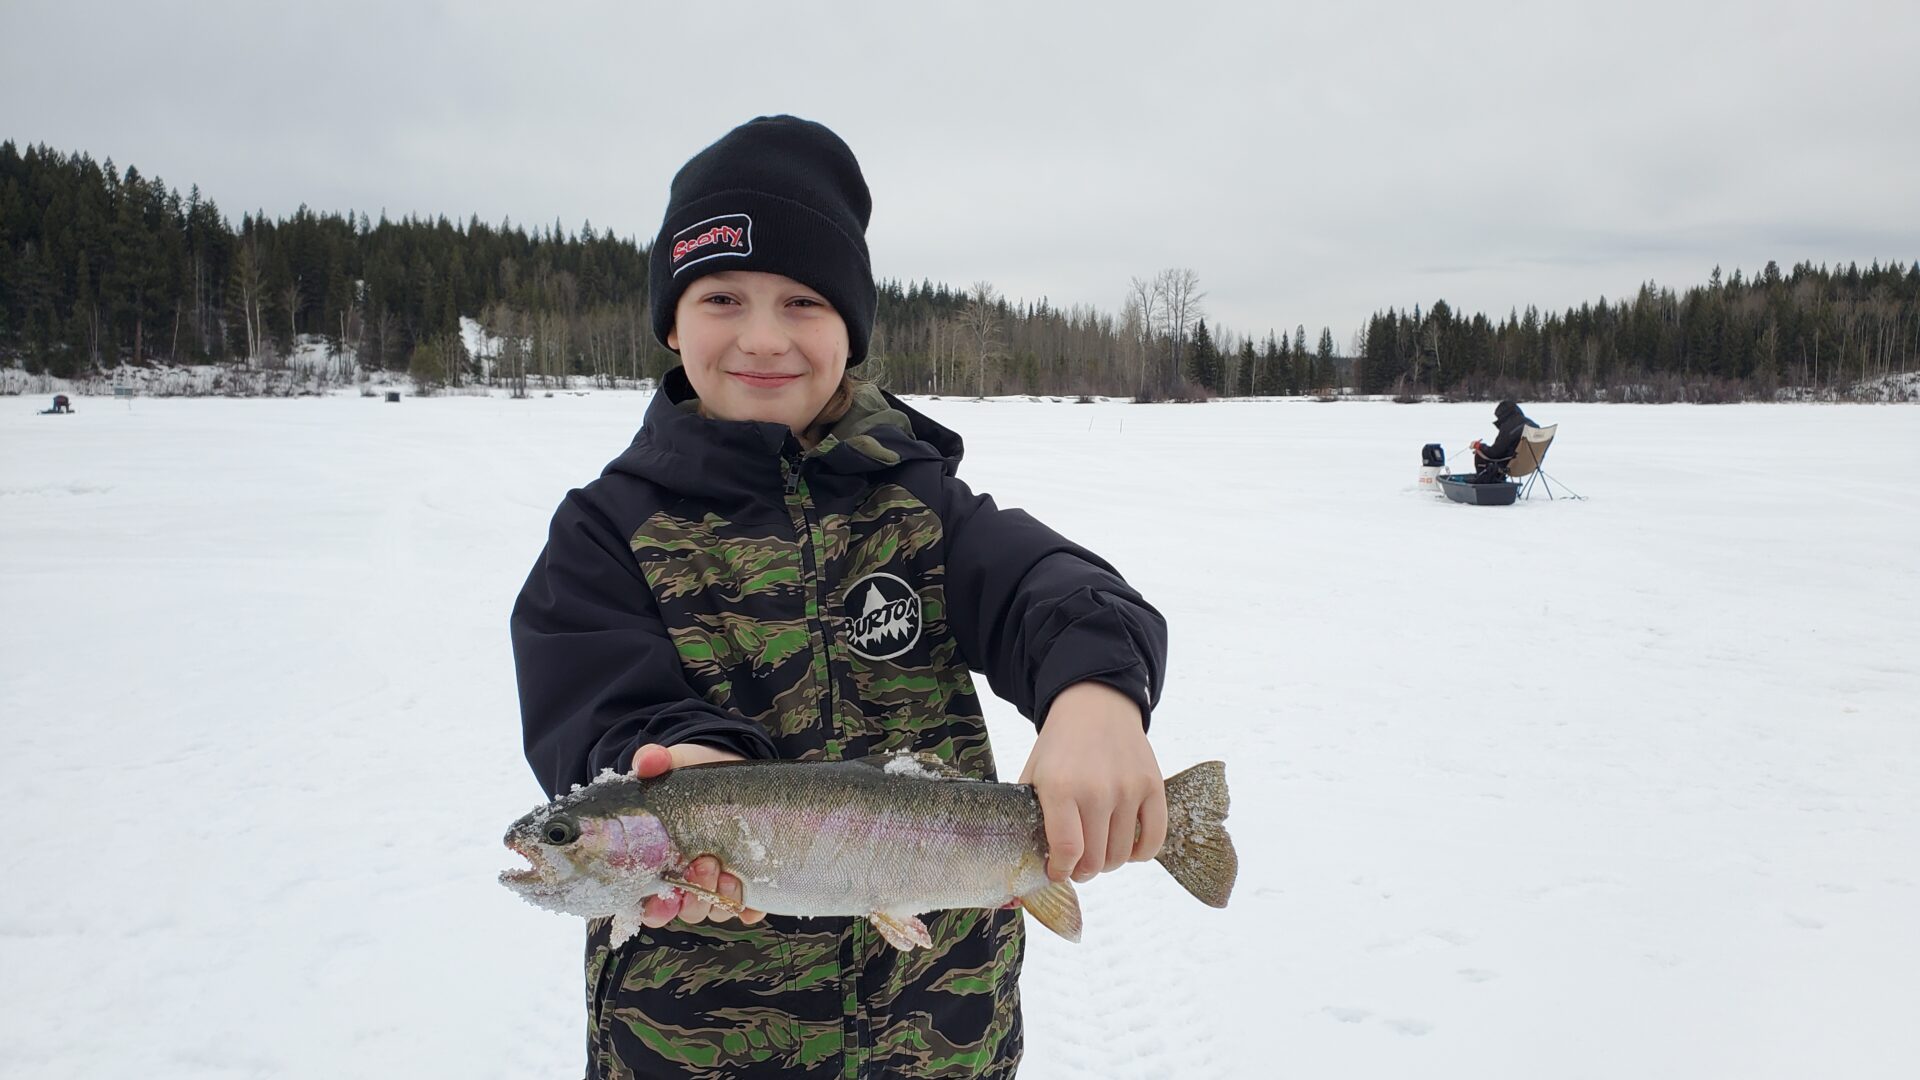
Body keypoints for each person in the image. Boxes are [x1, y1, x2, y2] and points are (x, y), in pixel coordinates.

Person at [510, 115, 1169, 1079]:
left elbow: (1056, 587)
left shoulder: (923, 507)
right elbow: (600, 704)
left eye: (804, 301)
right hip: (692, 1043)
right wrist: (682, 764)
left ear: (850, 329)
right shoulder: (605, 533)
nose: (763, 336)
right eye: (723, 297)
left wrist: (1096, 696)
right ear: (672, 320)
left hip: (942, 1031)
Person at [1469, 398, 1534, 483]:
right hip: (1531, 463)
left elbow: (1495, 452)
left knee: (1480, 454)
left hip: (1513, 464)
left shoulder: (1509, 427)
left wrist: (1480, 446)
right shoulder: (1531, 424)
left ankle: (1486, 484)